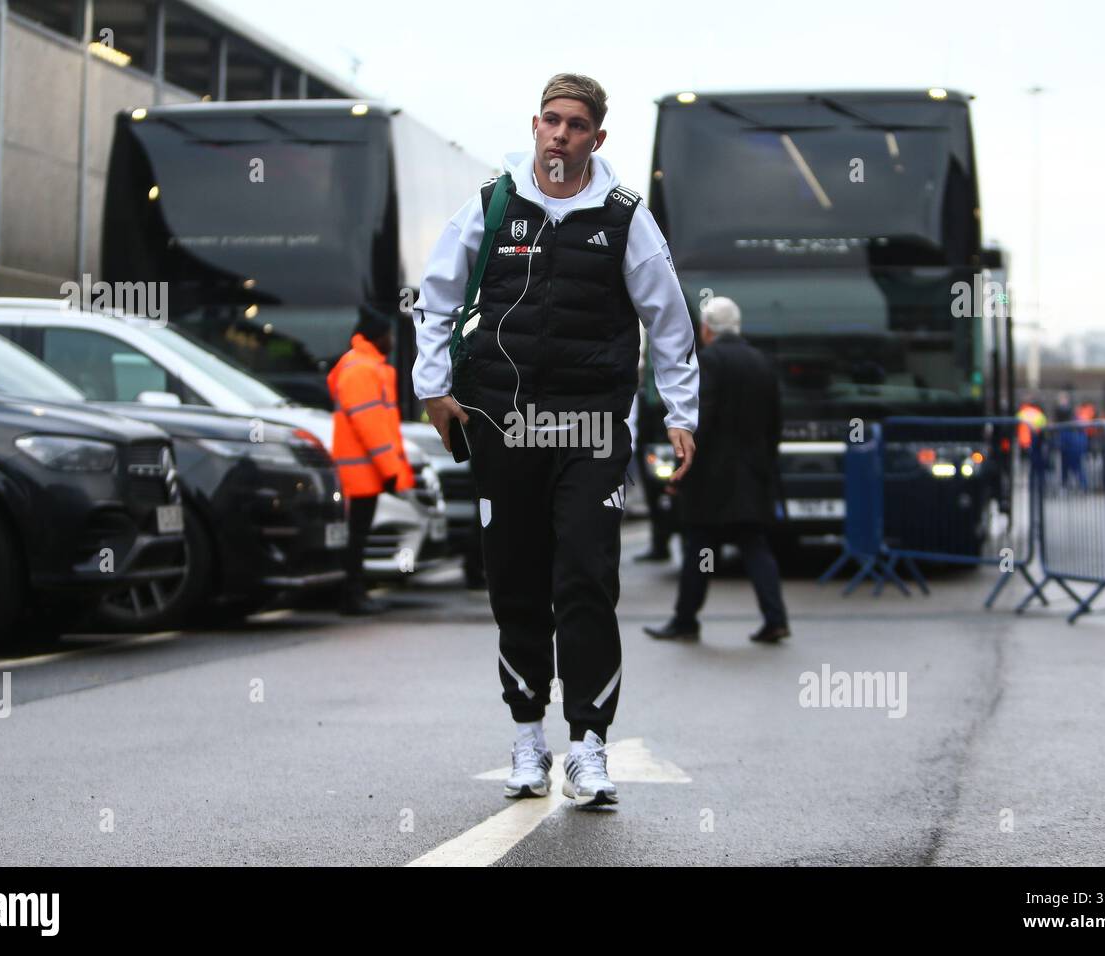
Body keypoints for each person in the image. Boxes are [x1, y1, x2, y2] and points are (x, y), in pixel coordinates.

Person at [411, 74, 698, 808]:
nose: (560, 135)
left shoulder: (626, 217)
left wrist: (680, 413)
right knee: (514, 578)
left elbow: (669, 321)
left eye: (576, 125)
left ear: (596, 138)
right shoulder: (493, 203)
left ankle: (590, 744)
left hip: (592, 425)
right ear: (535, 126)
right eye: (551, 121)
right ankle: (527, 735)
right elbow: (436, 296)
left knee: (585, 576)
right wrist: (433, 388)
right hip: (503, 423)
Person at [644, 296, 791, 643]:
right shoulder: (762, 362)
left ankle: (685, 620)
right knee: (755, 546)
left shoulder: (707, 363)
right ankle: (776, 618)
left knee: (698, 548)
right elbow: (775, 423)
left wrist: (683, 470)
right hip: (752, 475)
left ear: (706, 329)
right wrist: (766, 467)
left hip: (711, 477)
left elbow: (700, 420)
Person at [328, 308, 415, 615]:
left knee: (357, 534)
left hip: (361, 470)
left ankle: (354, 592)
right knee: (357, 534)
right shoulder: (362, 369)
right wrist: (390, 470)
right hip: (361, 472)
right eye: (388, 334)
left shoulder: (362, 365)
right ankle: (352, 595)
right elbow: (371, 427)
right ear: (377, 337)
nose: (392, 340)